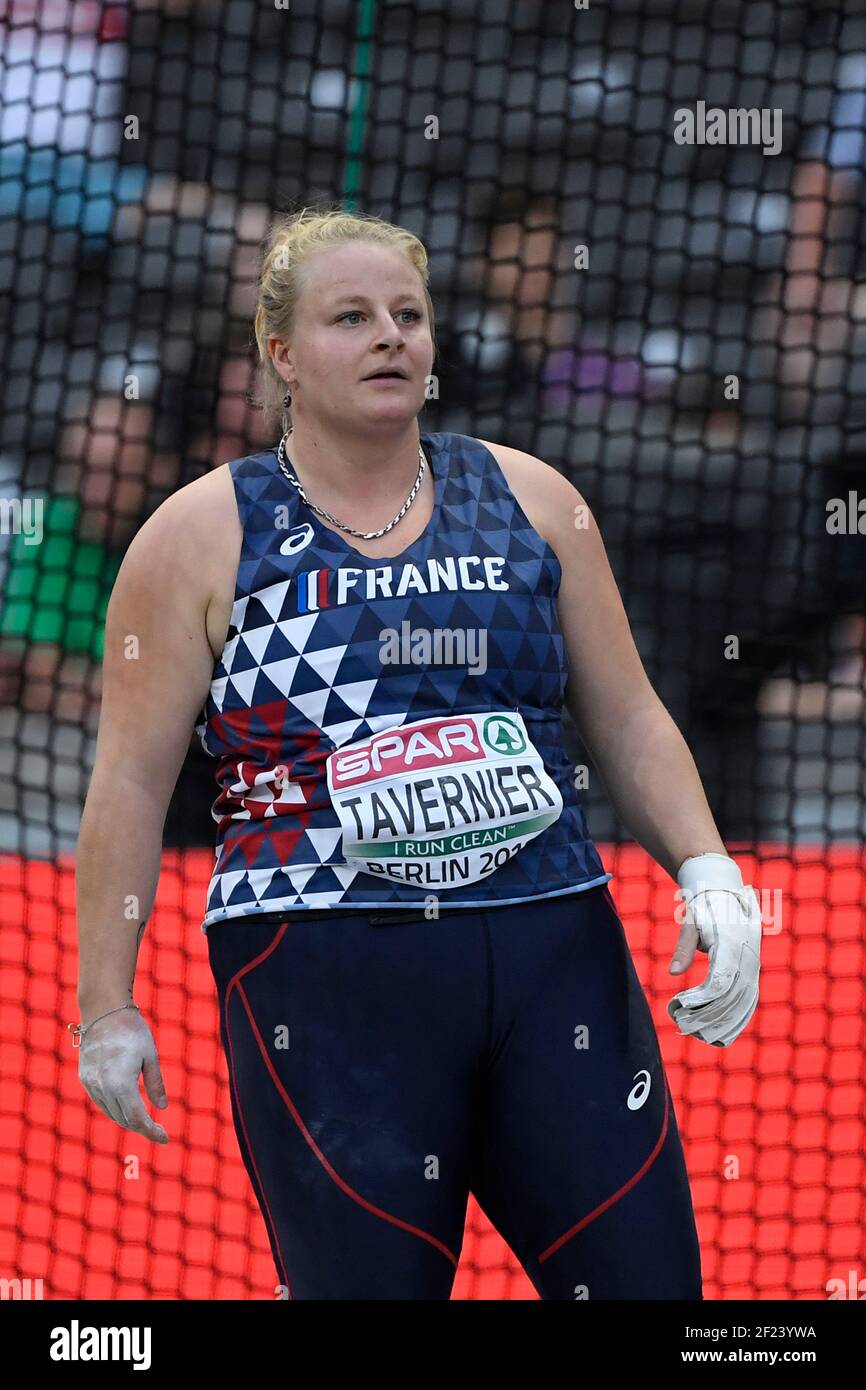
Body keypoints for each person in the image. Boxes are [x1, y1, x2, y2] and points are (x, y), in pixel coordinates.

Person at [73, 205, 762, 1301]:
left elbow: (625, 712)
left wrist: (710, 871)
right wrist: (103, 1006)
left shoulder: (532, 500)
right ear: (282, 353)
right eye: (352, 317)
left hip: (552, 955)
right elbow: (130, 781)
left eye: (409, 314)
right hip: (327, 975)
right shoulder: (201, 534)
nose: (392, 335)